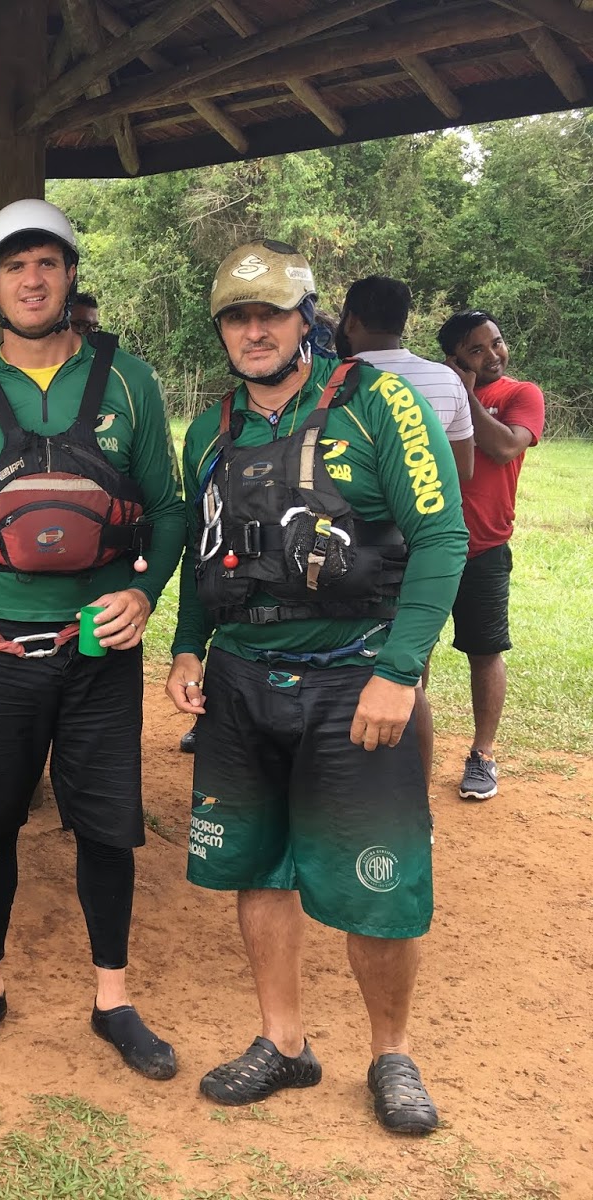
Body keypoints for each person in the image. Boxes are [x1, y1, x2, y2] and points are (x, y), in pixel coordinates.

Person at [168, 239, 467, 1135]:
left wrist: (399, 673)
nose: (254, 331)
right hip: (242, 679)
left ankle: (392, 1054)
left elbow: (444, 538)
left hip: (354, 679)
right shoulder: (212, 427)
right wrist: (186, 649)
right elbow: (204, 549)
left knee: (375, 883)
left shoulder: (382, 406)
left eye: (270, 313)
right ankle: (284, 1042)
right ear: (221, 330)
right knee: (255, 866)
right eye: (236, 316)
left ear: (308, 320)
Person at [0, 199, 185, 1076]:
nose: (33, 279)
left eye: (48, 263)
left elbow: (168, 508)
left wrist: (143, 593)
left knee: (107, 826)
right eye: (15, 266)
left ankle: (113, 999)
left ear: (69, 276)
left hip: (102, 649)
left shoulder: (129, 381)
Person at [337, 276, 476, 797]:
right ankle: (413, 798)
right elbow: (462, 470)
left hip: (354, 552)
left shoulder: (341, 380)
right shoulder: (443, 379)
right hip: (422, 546)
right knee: (410, 673)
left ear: (350, 320)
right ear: (406, 320)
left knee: (353, 666)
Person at [436, 310, 545, 802]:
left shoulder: (521, 395)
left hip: (485, 547)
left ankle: (482, 755)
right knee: (410, 651)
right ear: (454, 358)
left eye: (495, 343)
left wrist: (464, 395)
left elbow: (503, 448)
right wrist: (452, 390)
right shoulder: (433, 391)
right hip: (429, 544)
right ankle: (404, 754)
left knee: (484, 651)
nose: (493, 355)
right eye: (476, 350)